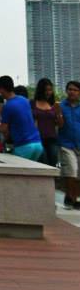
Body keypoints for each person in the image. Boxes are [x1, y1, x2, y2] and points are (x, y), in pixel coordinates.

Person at [0, 75, 43, 161]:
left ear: (1, 89)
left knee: (14, 172)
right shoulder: (24, 100)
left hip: (24, 146)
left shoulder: (8, 106)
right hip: (37, 144)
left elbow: (4, 129)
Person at [58, 80, 80, 209]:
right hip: (66, 144)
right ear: (66, 91)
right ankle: (70, 196)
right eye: (70, 89)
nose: (72, 92)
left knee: (78, 174)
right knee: (70, 170)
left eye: (75, 90)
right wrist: (58, 114)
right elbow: (59, 124)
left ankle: (74, 197)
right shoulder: (61, 106)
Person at [32, 78, 61, 168]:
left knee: (53, 163)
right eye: (46, 90)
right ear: (41, 90)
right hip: (38, 139)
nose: (48, 92)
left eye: (50, 90)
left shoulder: (53, 105)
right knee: (43, 164)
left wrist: (58, 113)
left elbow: (59, 124)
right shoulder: (32, 103)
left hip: (52, 139)